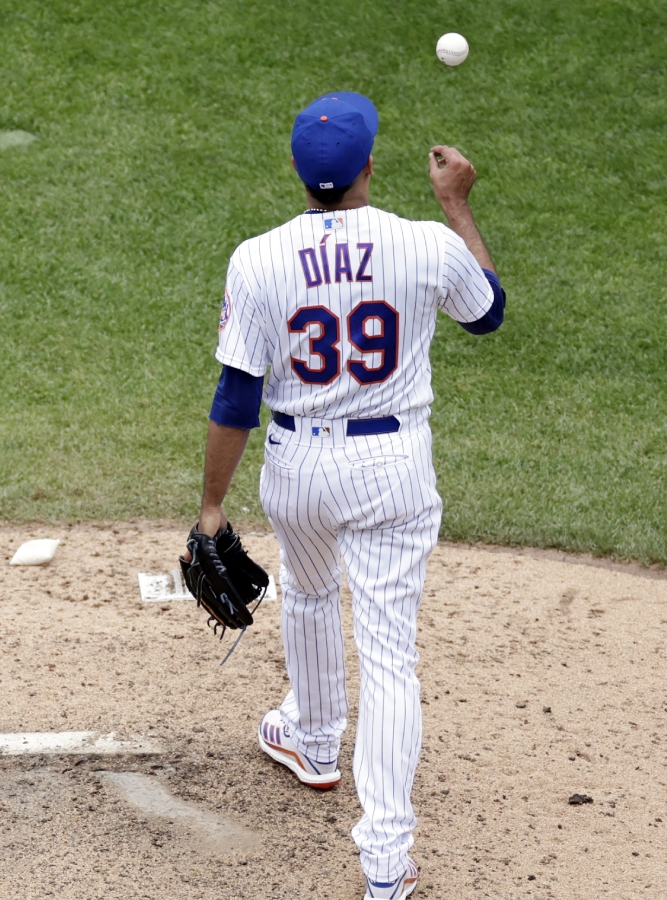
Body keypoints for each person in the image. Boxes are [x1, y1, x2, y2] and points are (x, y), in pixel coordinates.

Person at [189, 90, 505, 900]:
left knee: (308, 587)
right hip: (393, 466)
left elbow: (235, 398)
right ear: (369, 167)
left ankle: (315, 740)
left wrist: (211, 508)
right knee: (391, 656)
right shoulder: (424, 243)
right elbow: (488, 312)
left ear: (297, 171)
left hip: (297, 464)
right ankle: (386, 865)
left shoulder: (256, 258)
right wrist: (457, 204)